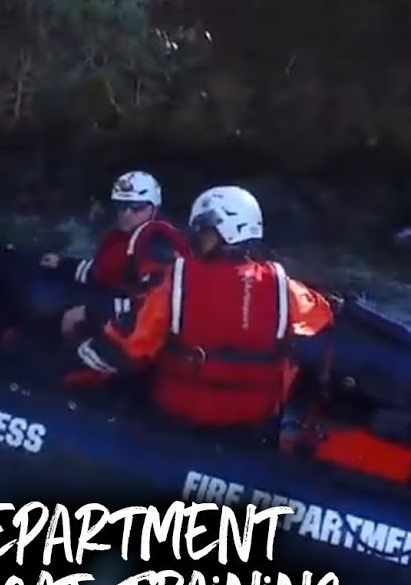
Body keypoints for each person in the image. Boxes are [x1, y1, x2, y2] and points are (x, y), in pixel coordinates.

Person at [63, 185, 334, 447]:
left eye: (204, 233)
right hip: (252, 429)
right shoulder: (286, 289)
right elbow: (323, 322)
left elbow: (131, 349)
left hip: (176, 422)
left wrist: (81, 345)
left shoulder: (177, 281)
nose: (196, 240)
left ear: (224, 232)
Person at [41, 171, 190, 333]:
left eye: (136, 208)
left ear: (153, 209)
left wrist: (90, 311)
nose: (126, 214)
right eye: (122, 206)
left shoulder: (158, 247)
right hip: (114, 301)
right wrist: (64, 264)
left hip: (139, 331)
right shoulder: (129, 238)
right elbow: (106, 270)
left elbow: (154, 305)